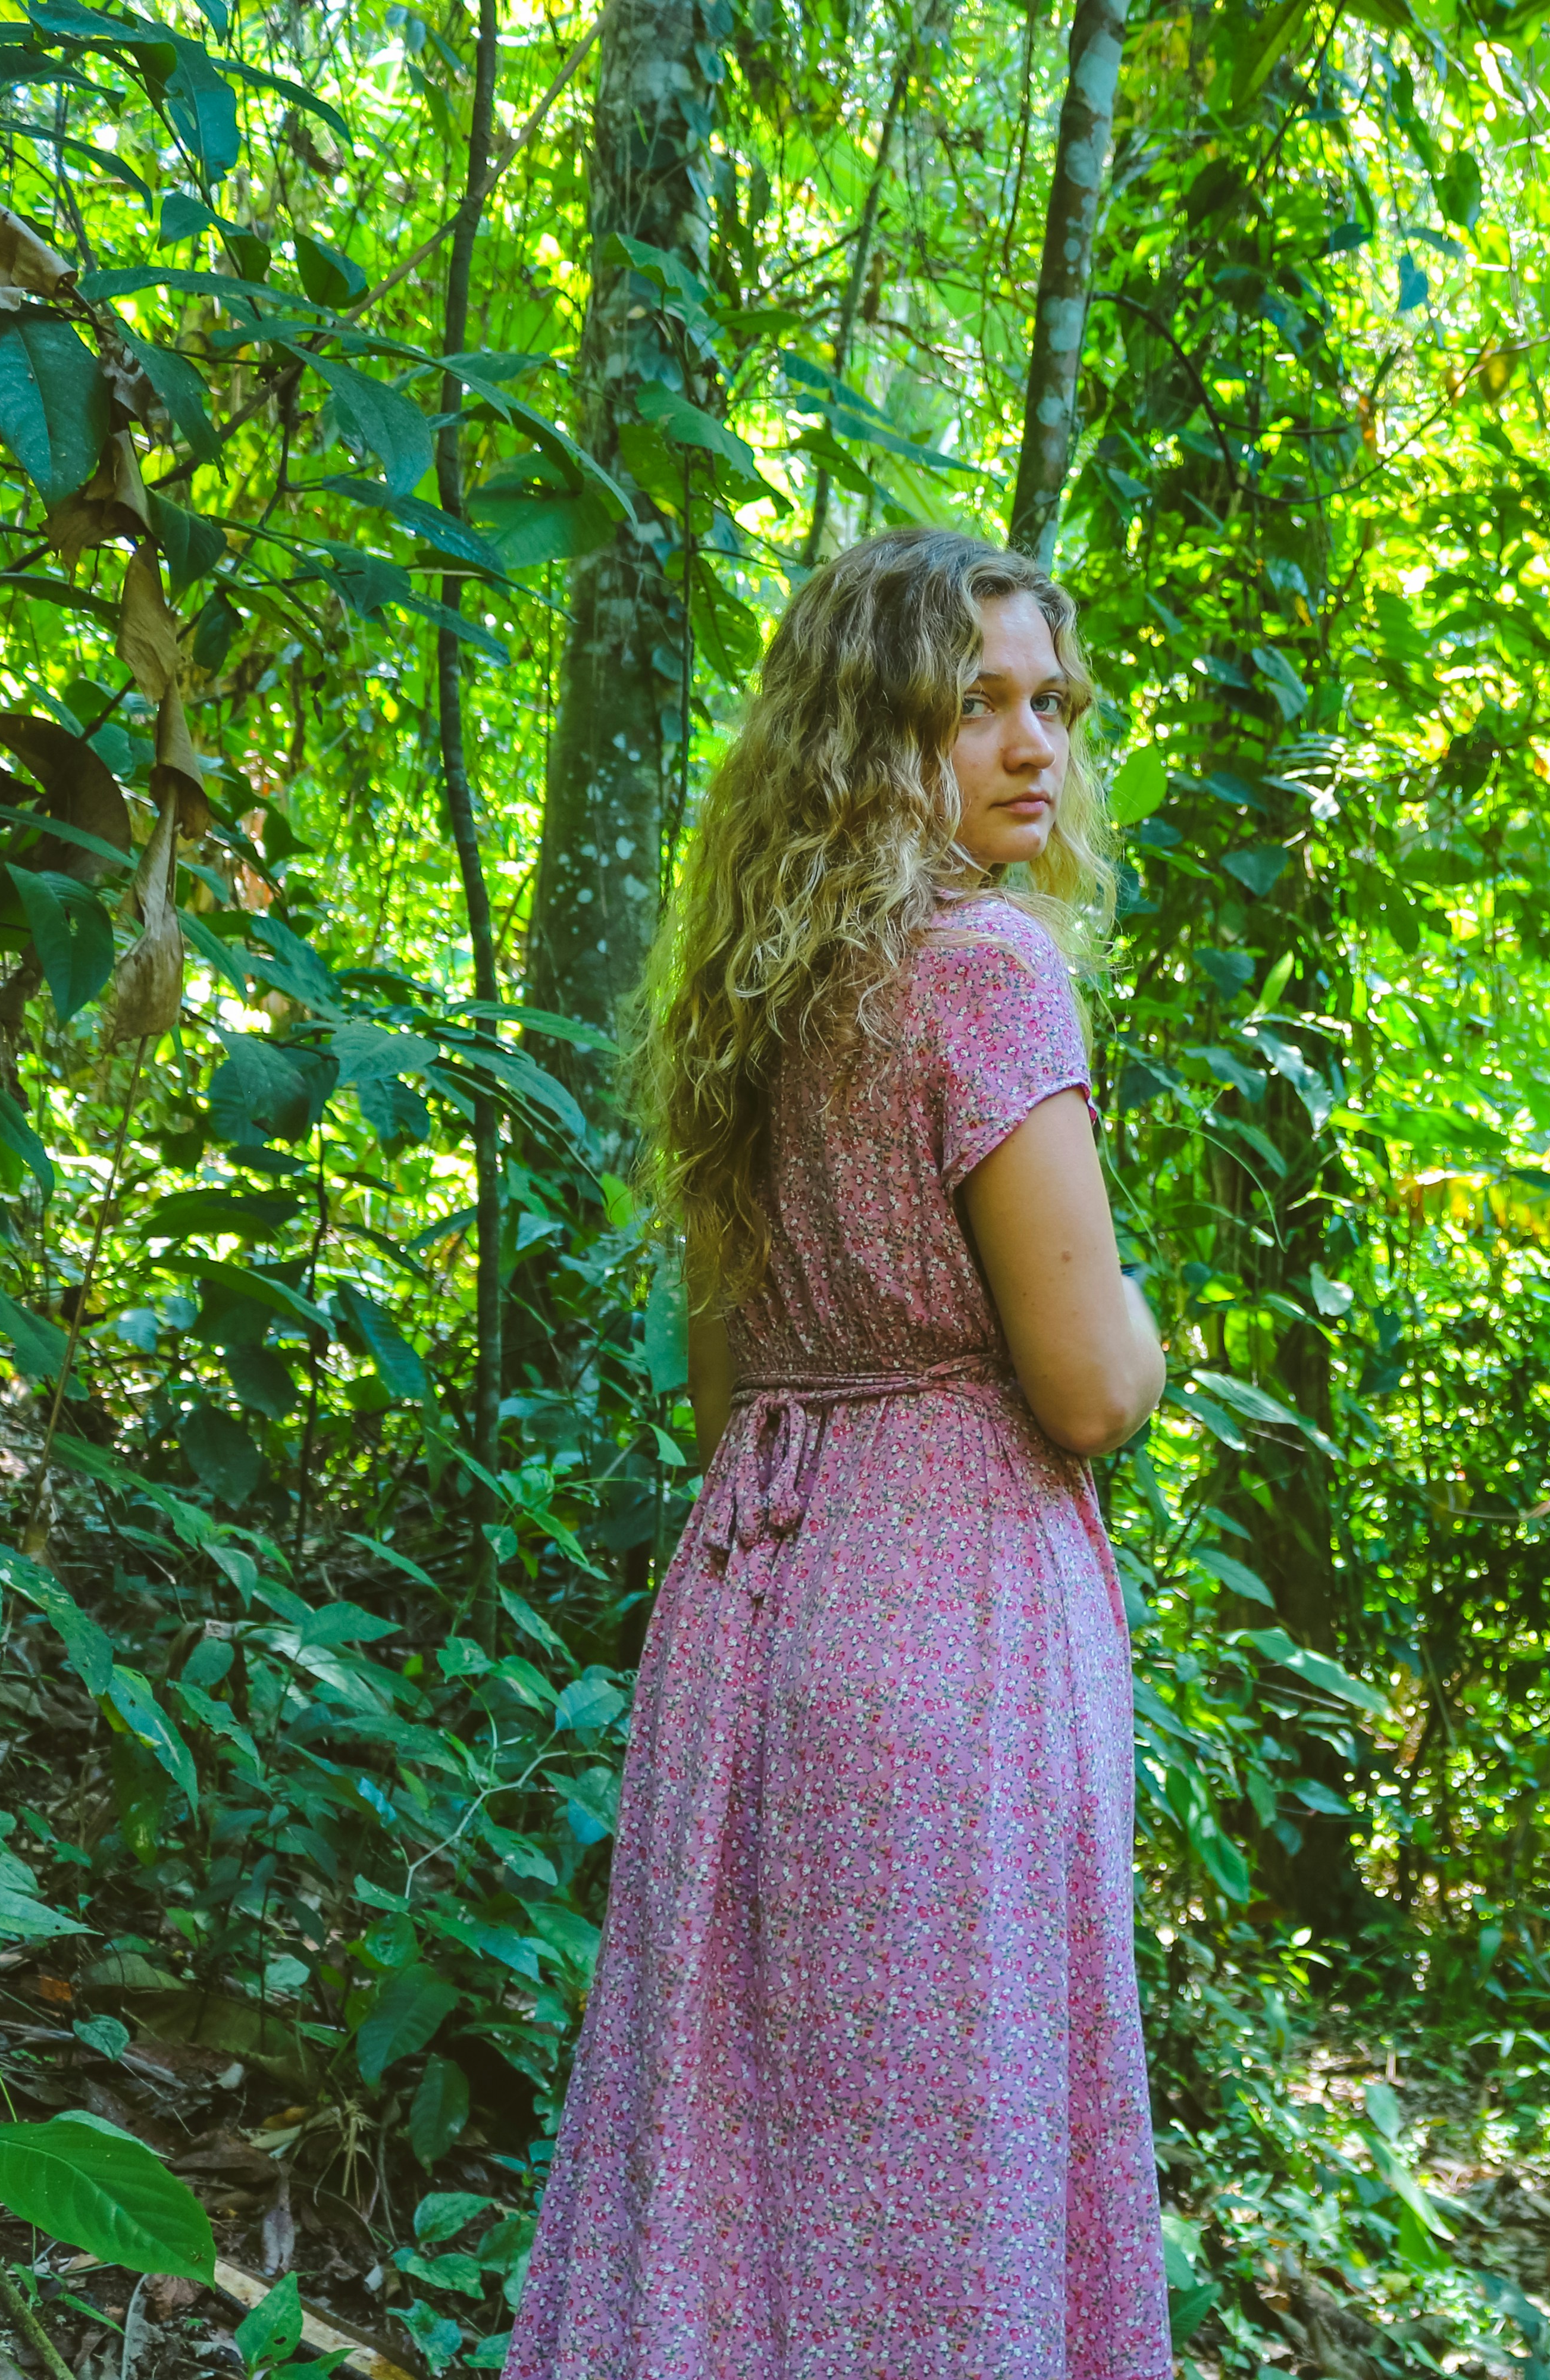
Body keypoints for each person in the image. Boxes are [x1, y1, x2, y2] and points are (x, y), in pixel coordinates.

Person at [505, 527, 1173, 2379]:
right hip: (949, 1616)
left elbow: (724, 1403)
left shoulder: (756, 996)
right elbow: (1090, 1385)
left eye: (1054, 705)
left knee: (731, 2157)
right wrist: (1150, 1327)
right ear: (874, 738)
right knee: (949, 2164)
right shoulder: (987, 974)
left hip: (751, 1615)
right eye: (974, 710)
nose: (1034, 746)